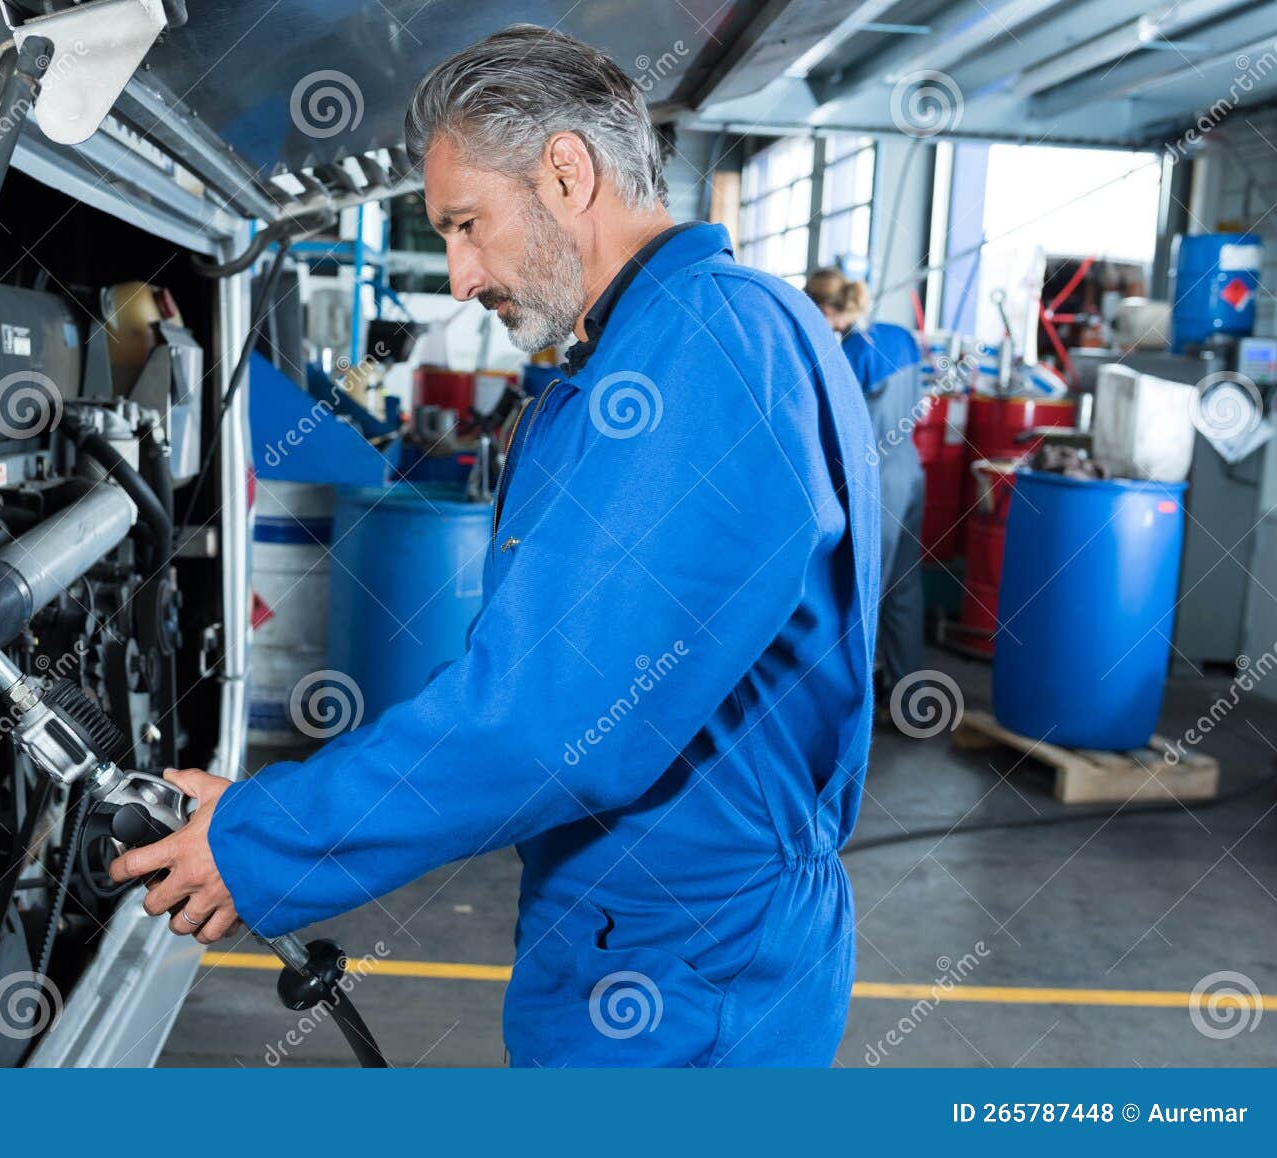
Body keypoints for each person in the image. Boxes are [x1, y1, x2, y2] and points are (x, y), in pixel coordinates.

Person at [111, 25, 879, 1067]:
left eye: (467, 225)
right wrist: (267, 804)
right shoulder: (661, 347)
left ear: (566, 172)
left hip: (686, 974)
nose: (460, 275)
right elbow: (529, 667)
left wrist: (266, 844)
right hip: (646, 931)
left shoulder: (701, 350)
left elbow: (552, 719)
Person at [807, 268, 925, 711]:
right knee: (905, 588)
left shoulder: (851, 355)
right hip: (911, 473)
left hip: (876, 485)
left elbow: (837, 430)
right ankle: (908, 693)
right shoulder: (901, 336)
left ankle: (853, 704)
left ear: (825, 310)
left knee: (864, 591)